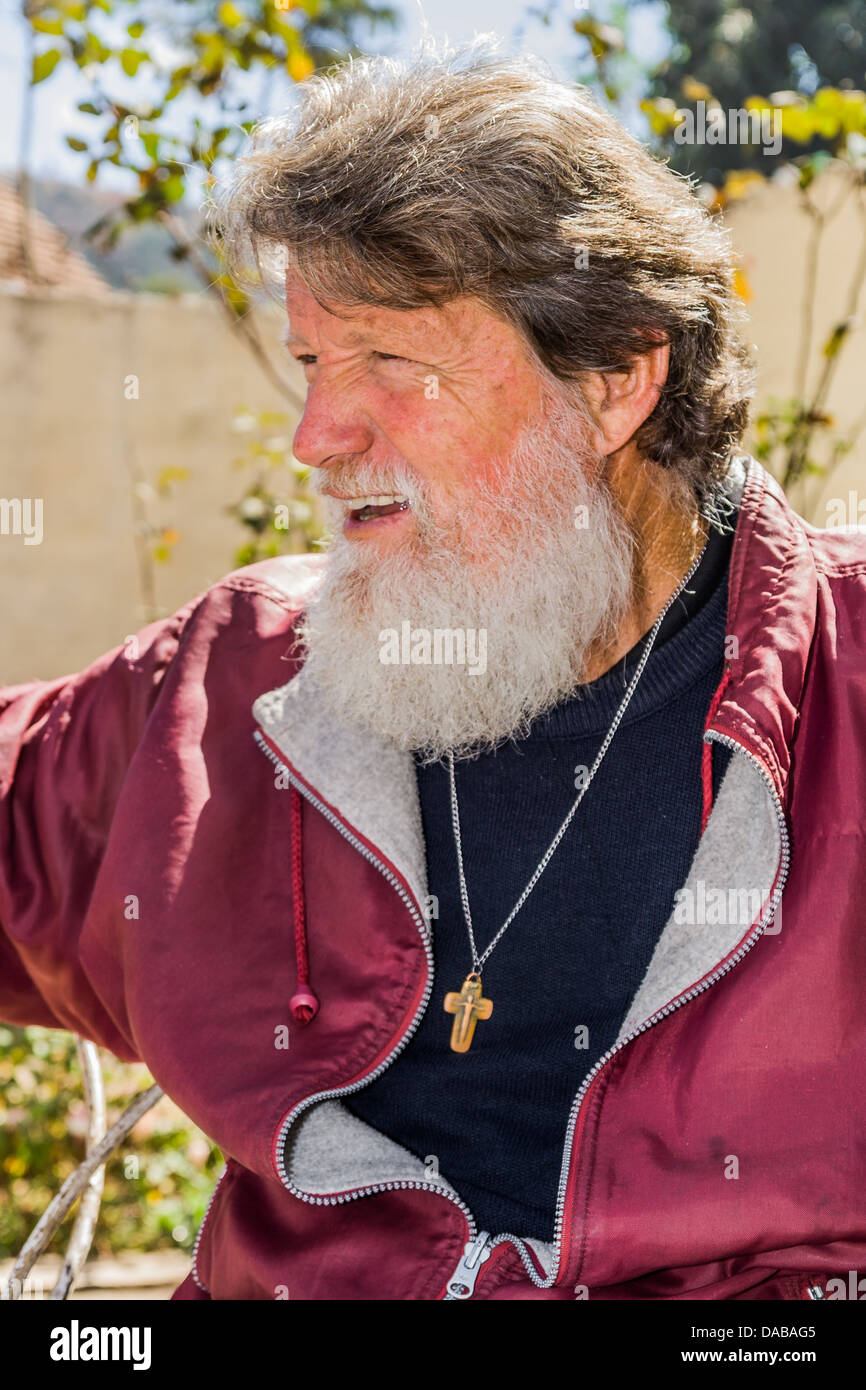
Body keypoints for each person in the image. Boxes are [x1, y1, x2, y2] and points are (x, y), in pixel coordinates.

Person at [2, 37, 864, 1301]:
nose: (314, 437)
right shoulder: (233, 685)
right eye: (309, 362)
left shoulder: (841, 680)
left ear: (619, 375)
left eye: (392, 366)